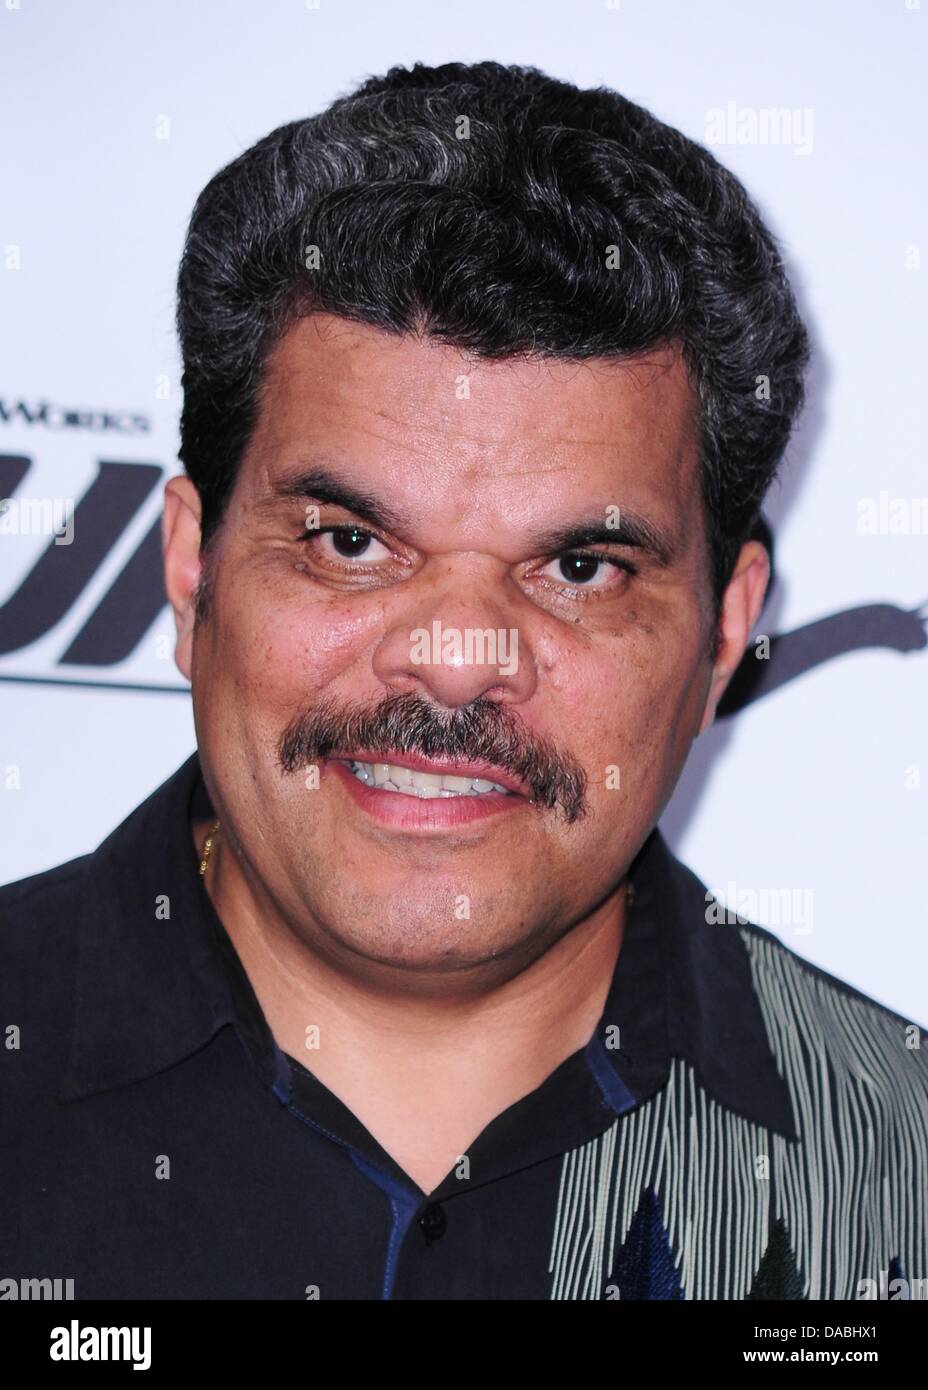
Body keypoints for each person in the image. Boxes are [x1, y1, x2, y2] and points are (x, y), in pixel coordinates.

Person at [2, 60, 925, 1302]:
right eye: (350, 544)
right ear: (189, 570)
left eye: (581, 566)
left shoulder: (900, 1180)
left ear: (721, 636)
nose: (455, 659)